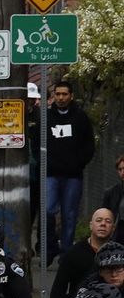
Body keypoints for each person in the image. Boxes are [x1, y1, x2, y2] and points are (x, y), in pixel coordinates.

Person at [45, 81, 96, 263]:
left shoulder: (80, 117)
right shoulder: (47, 117)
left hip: (73, 175)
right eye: (57, 94)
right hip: (50, 173)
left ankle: (66, 253)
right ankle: (50, 247)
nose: (60, 97)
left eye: (64, 94)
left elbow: (89, 145)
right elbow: (37, 143)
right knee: (48, 210)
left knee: (69, 214)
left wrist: (78, 163)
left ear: (71, 95)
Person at [49, 212, 118, 298]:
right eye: (99, 220)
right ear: (91, 225)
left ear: (113, 228)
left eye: (108, 221)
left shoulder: (118, 254)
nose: (103, 224)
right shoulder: (74, 253)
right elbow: (59, 287)